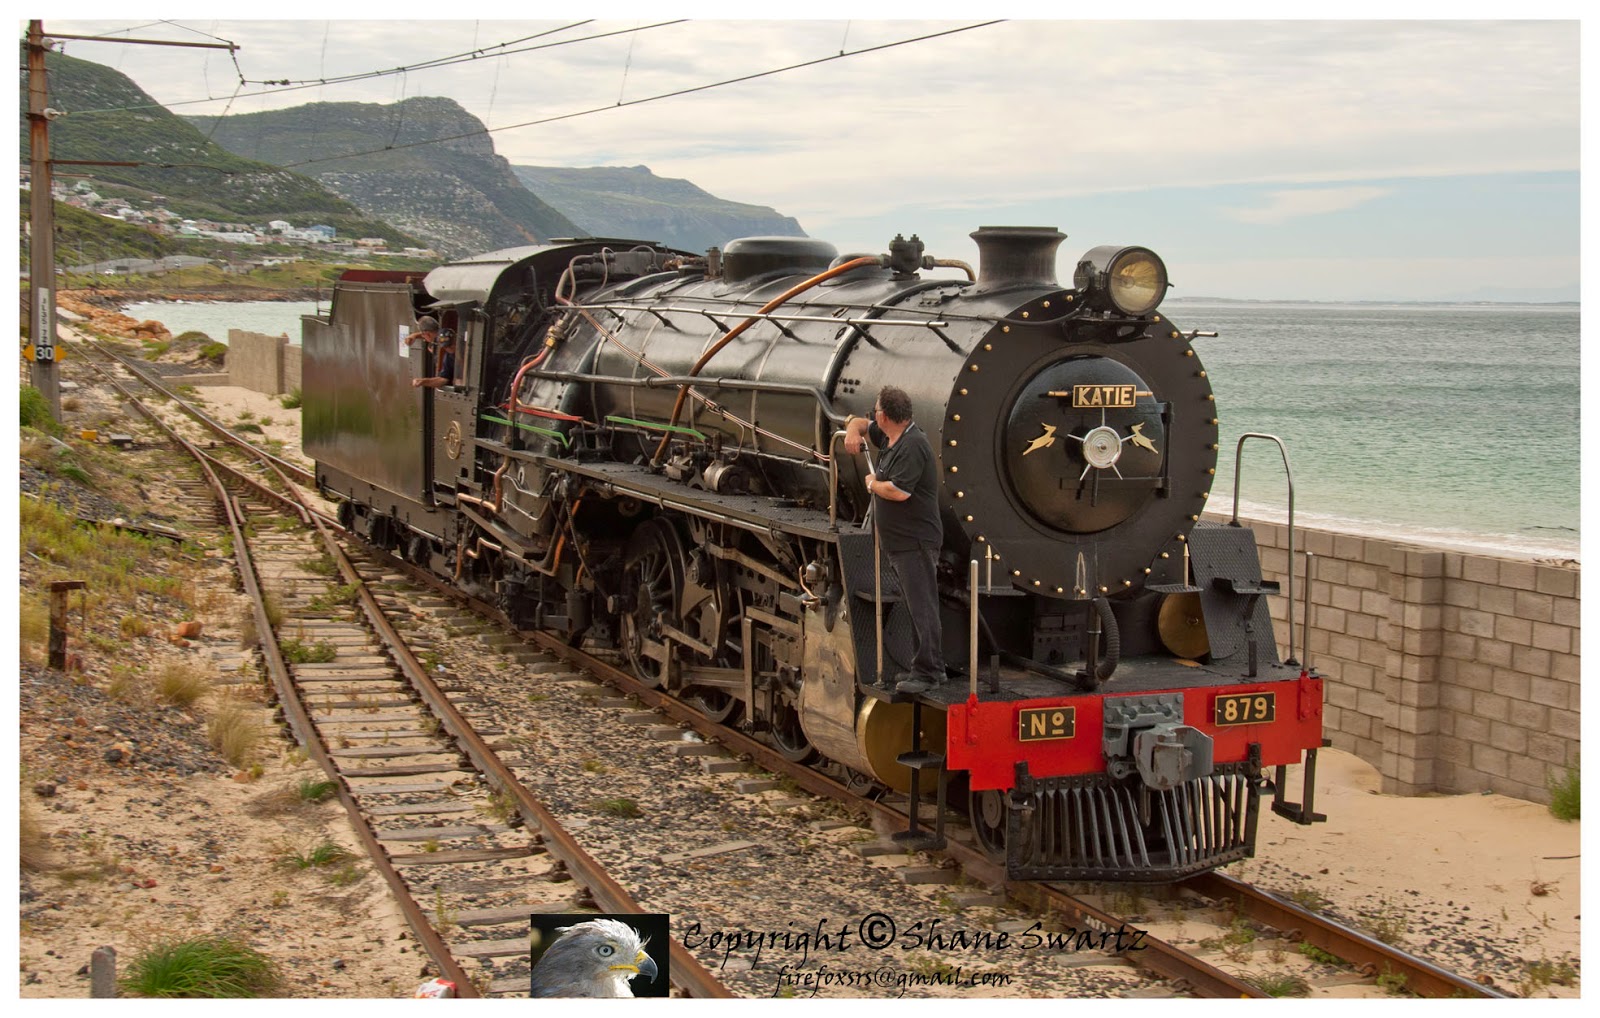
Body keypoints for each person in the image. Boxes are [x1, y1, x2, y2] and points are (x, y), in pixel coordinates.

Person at [843, 385, 945, 693]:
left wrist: (873, 483)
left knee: (922, 605)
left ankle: (928, 672)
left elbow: (899, 492)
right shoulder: (892, 436)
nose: (871, 417)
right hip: (902, 543)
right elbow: (859, 424)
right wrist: (852, 431)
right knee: (916, 605)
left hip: (916, 541)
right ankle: (926, 668)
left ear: (884, 415)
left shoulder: (913, 445)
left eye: (874, 412)